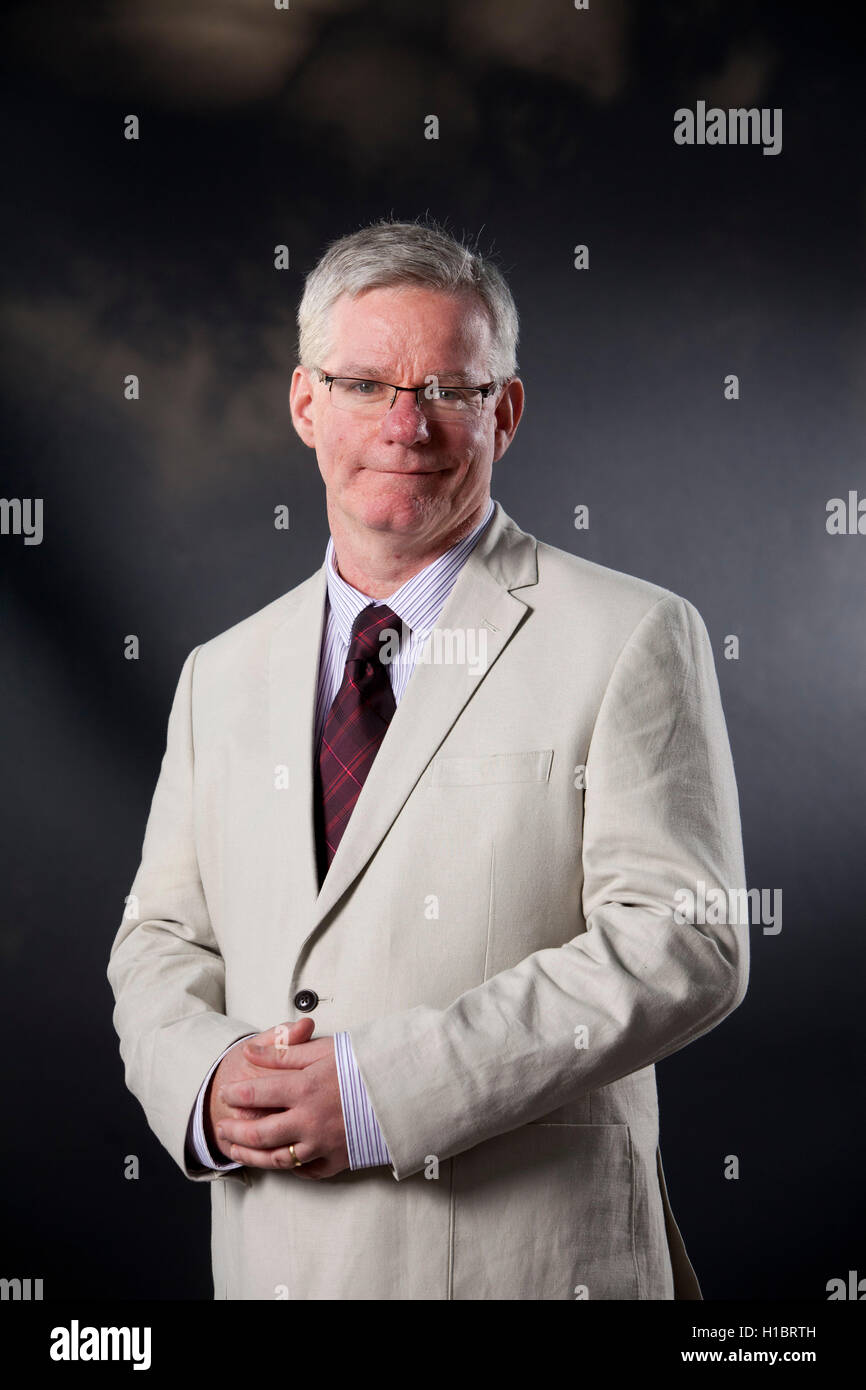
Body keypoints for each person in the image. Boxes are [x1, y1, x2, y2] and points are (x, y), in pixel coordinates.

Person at [108, 217, 749, 1300]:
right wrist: (203, 1079)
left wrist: (378, 1088)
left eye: (448, 390)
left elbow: (685, 943)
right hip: (277, 1265)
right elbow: (162, 939)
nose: (405, 425)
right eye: (365, 385)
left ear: (502, 410)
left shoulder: (631, 633)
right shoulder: (219, 672)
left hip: (530, 1269)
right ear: (306, 403)